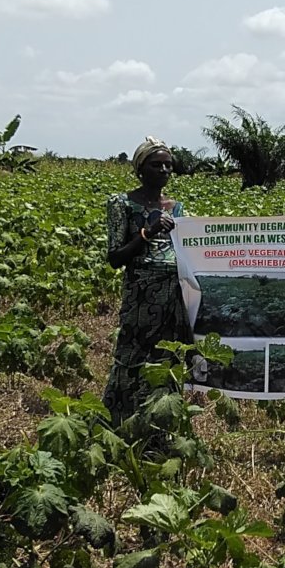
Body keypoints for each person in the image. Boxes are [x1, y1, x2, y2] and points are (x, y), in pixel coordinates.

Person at [102, 136, 192, 426]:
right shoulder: (122, 204)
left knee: (167, 357)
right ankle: (121, 420)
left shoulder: (176, 208)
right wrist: (147, 232)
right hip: (141, 295)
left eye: (168, 165)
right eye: (156, 165)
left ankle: (159, 423)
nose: (164, 170)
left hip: (173, 294)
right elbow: (115, 257)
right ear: (140, 169)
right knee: (133, 354)